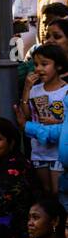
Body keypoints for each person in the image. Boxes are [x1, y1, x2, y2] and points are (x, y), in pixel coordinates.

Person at [19, 43, 68, 195]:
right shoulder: (35, 90)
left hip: (58, 150)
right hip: (39, 149)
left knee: (57, 190)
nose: (39, 69)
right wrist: (27, 89)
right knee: (46, 190)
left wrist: (58, 122)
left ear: (59, 66)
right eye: (36, 64)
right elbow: (27, 114)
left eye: (44, 64)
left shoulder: (66, 90)